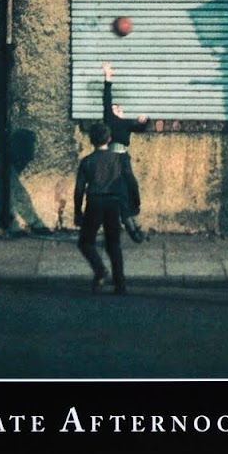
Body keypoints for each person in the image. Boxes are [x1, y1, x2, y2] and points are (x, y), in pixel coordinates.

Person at [74, 121, 141, 295]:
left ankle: (100, 269)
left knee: (85, 241)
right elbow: (131, 181)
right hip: (113, 203)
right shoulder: (120, 159)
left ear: (91, 140)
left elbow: (79, 189)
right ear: (109, 139)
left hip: (94, 203)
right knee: (113, 244)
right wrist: (136, 201)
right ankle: (120, 284)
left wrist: (77, 210)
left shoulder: (87, 162)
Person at [102, 62, 149, 243]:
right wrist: (108, 78)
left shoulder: (126, 123)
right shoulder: (110, 121)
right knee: (121, 190)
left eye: (119, 107)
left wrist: (143, 121)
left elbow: (140, 128)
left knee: (130, 184)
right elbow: (106, 100)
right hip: (113, 158)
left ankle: (133, 215)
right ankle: (131, 226)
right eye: (115, 107)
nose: (117, 108)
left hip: (124, 157)